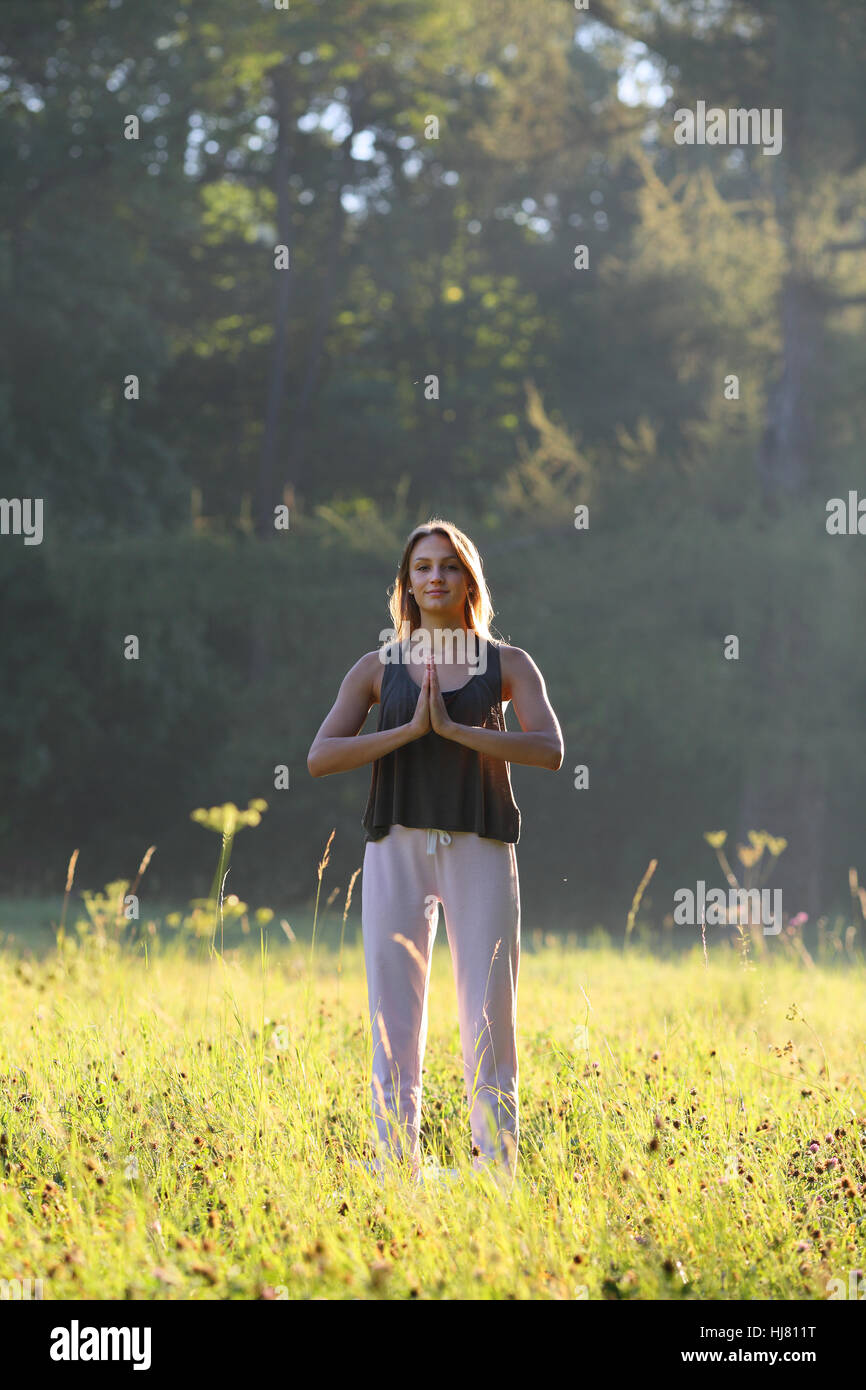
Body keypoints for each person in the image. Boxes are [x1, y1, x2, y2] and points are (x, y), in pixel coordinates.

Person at [307, 519, 563, 1188]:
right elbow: (320, 756)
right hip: (397, 845)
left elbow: (549, 749)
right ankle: (396, 1163)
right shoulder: (377, 669)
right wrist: (409, 733)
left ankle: (497, 1167)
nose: (435, 577)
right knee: (393, 1008)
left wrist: (455, 730)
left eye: (449, 566)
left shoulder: (507, 663)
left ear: (467, 578)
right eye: (423, 566)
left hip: (479, 844)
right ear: (407, 582)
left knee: (488, 1009)